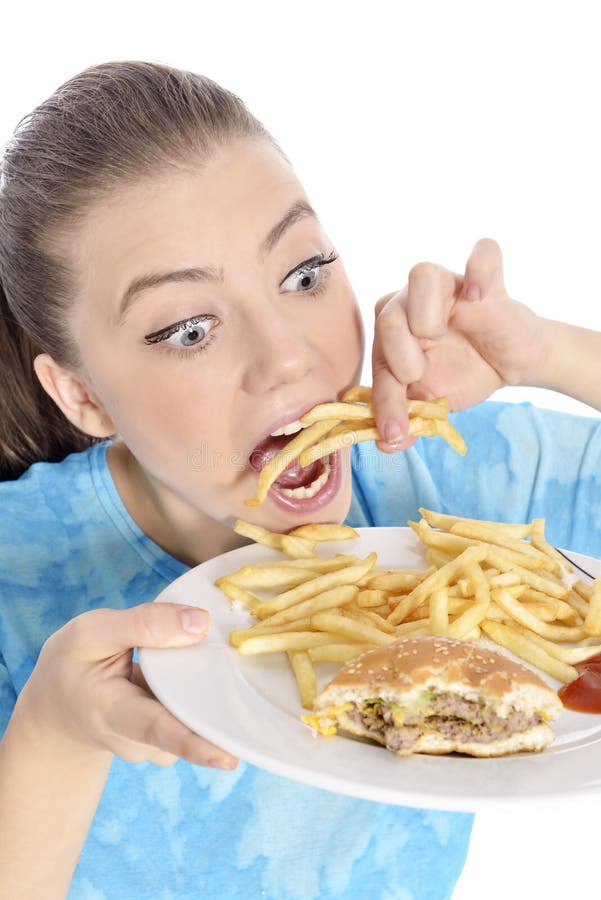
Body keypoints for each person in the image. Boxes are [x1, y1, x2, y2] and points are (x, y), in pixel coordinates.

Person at [1, 61, 601, 900]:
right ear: (81, 394)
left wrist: (553, 354)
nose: (290, 355)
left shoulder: (455, 488)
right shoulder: (13, 573)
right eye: (188, 329)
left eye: (304, 275)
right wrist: (53, 738)